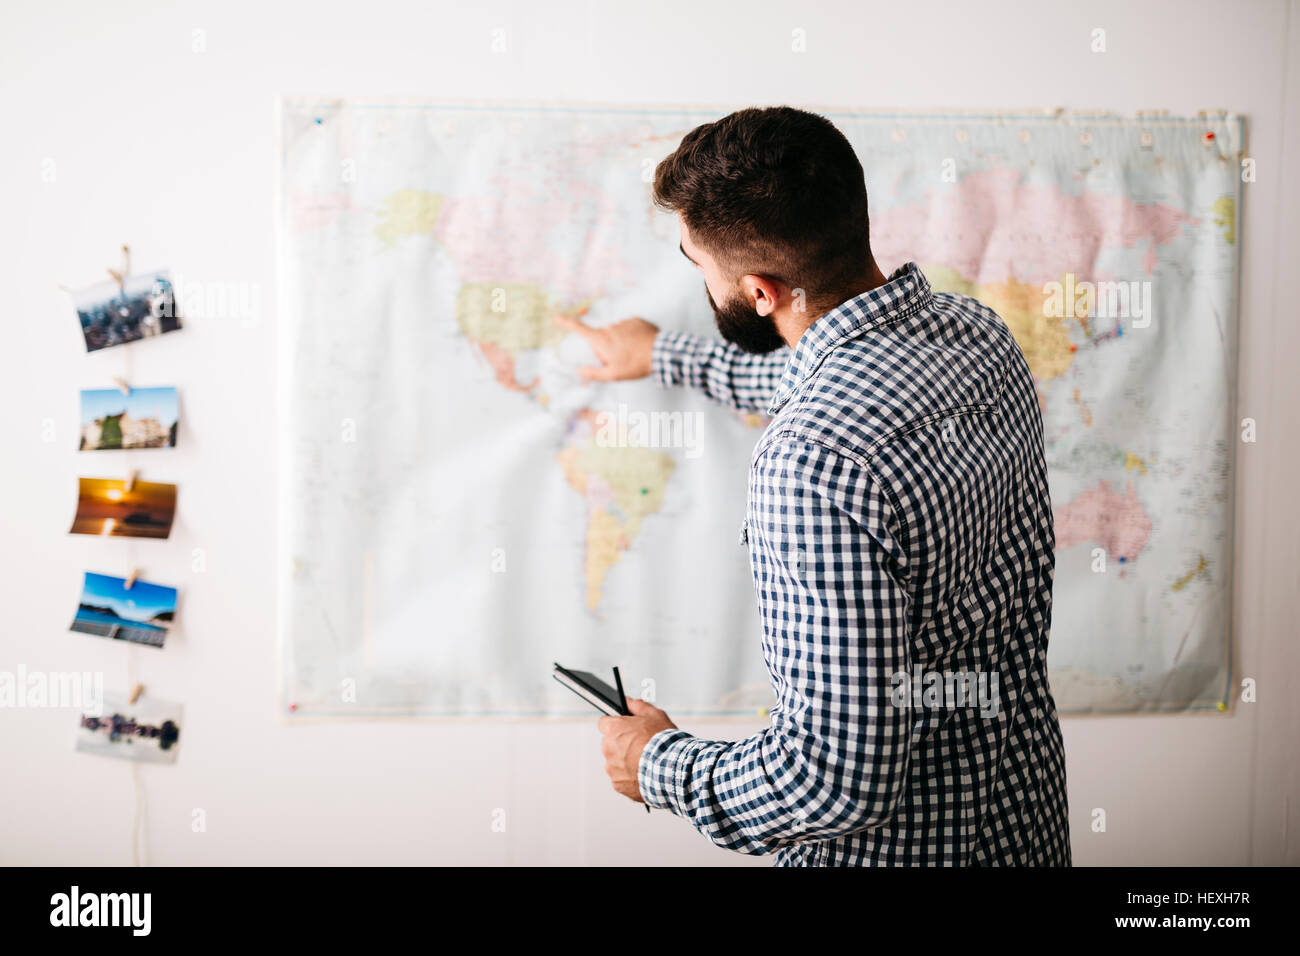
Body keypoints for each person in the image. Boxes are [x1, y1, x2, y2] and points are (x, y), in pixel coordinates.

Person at [557, 105, 1071, 866]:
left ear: (761, 293)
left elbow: (833, 782)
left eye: (696, 262)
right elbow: (823, 378)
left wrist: (655, 763)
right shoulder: (977, 336)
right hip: (1022, 827)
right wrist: (665, 355)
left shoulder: (811, 464)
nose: (695, 275)